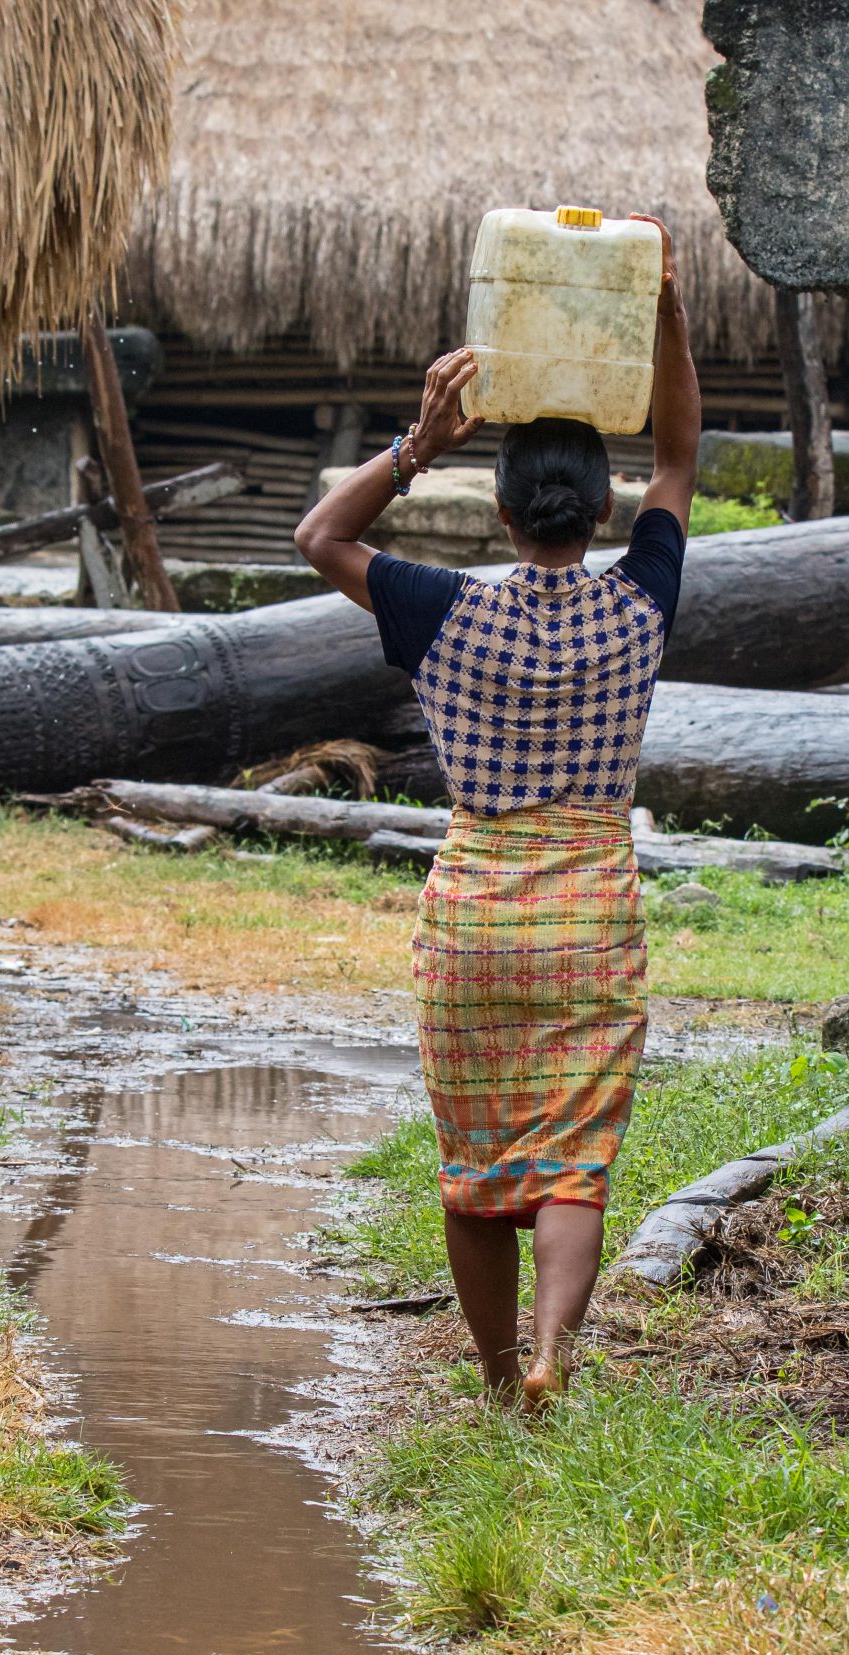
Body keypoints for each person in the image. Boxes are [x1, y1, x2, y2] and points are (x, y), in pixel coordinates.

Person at [295, 217, 697, 1407]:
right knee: (572, 1157)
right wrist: (664, 309)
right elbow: (679, 455)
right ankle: (554, 1354)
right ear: (603, 507)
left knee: (476, 1168)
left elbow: (320, 535)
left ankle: (488, 1373)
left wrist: (415, 446)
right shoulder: (639, 606)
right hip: (587, 907)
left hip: (474, 912)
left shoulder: (440, 609)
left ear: (502, 508)